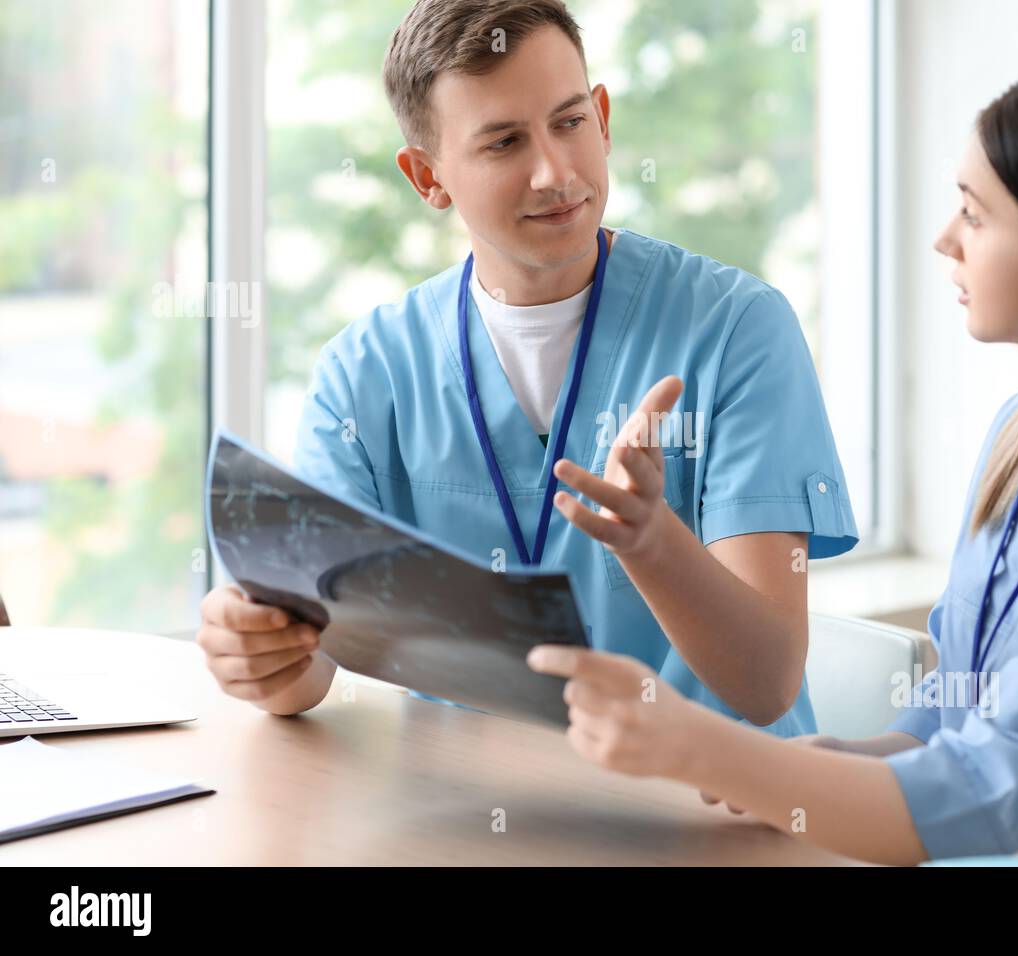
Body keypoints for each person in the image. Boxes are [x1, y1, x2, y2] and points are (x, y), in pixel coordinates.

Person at [528, 66, 1018, 863]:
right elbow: (958, 714)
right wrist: (829, 765)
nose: (945, 239)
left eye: (974, 214)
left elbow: (988, 792)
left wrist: (702, 747)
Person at [196, 0, 856, 737]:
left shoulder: (736, 329)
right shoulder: (364, 373)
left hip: (704, 799)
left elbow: (766, 684)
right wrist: (261, 653)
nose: (555, 172)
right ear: (427, 177)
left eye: (570, 122)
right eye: (505, 142)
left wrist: (655, 544)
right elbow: (312, 661)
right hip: (474, 798)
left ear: (603, 119)